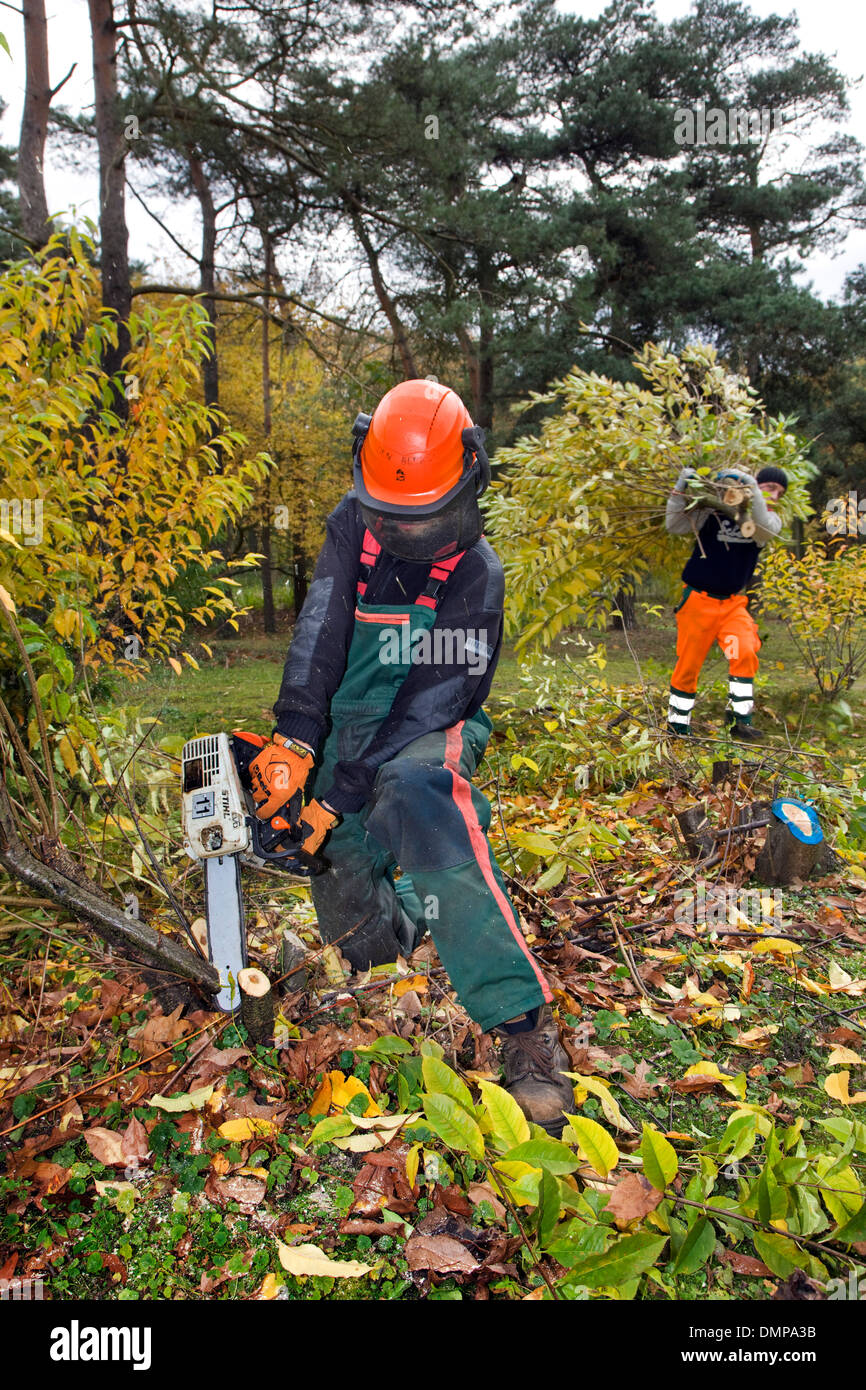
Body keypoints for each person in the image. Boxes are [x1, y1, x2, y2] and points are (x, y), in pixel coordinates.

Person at [247, 379, 572, 1136]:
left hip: (428, 723)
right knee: (329, 847)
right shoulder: (348, 527)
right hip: (348, 718)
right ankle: (393, 943)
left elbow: (430, 701)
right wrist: (297, 737)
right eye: (394, 518)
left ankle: (521, 1027)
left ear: (465, 484)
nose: (406, 534)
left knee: (414, 795)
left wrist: (347, 786)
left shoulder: (476, 574)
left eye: (422, 519)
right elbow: (322, 626)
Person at [665, 464, 788, 741]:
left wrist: (755, 490)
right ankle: (677, 726)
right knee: (688, 664)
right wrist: (680, 487)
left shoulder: (770, 523)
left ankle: (739, 720)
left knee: (744, 650)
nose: (774, 495)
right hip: (698, 600)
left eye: (779, 492)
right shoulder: (712, 509)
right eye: (769, 487)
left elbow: (763, 528)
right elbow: (673, 525)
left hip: (732, 605)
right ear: (750, 486)